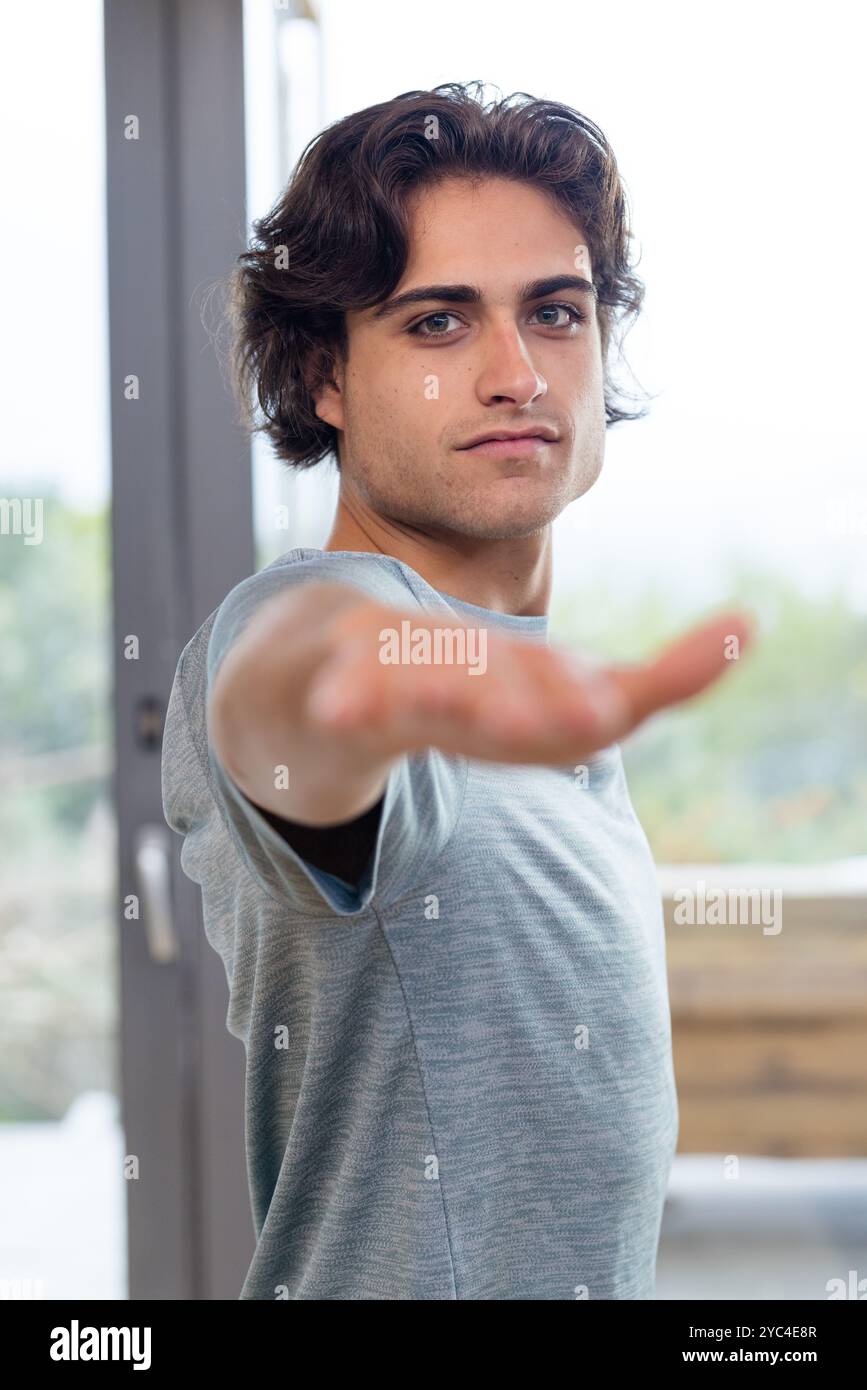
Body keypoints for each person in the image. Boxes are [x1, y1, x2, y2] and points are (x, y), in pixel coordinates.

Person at [162, 81, 753, 1300]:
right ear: (324, 374)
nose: (514, 373)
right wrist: (386, 669)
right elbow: (294, 683)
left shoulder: (539, 695)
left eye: (555, 312)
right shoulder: (325, 627)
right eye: (438, 323)